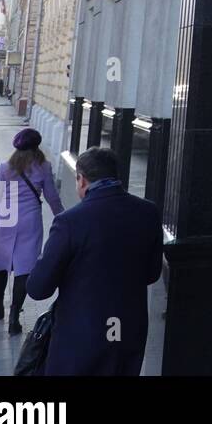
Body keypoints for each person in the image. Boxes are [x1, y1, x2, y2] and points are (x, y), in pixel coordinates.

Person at [27, 148, 162, 375]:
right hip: (127, 330)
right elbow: (152, 273)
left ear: (81, 179)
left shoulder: (69, 223)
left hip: (82, 338)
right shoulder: (148, 212)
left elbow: (38, 288)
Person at [0, 128, 64, 333]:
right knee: (24, 270)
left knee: (0, 267)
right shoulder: (44, 167)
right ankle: (15, 315)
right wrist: (64, 219)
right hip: (29, 223)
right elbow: (52, 198)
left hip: (3, 221)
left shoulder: (5, 167)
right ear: (36, 147)